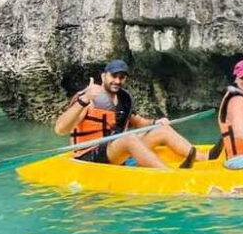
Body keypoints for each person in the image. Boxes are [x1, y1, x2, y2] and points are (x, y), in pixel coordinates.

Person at [54, 59, 202, 169]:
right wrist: (85, 99)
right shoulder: (89, 98)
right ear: (104, 76)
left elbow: (138, 122)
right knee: (129, 138)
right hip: (89, 155)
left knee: (162, 130)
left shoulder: (123, 99)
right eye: (114, 76)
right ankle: (168, 174)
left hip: (114, 150)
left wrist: (156, 122)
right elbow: (60, 129)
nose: (117, 81)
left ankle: (205, 158)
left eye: (122, 77)